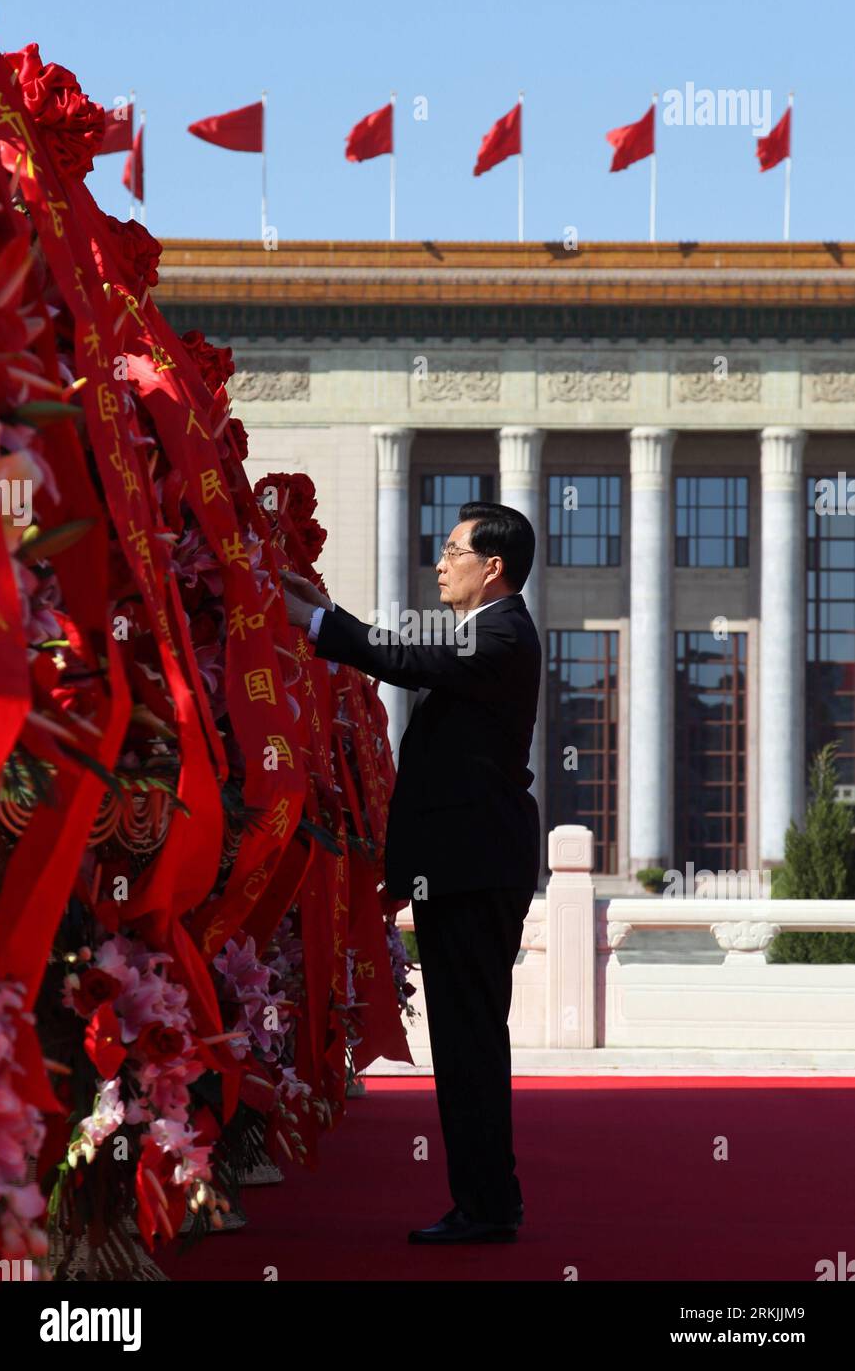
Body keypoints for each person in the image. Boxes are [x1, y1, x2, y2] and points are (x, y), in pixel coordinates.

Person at [282, 500, 541, 1244]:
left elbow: (403, 659)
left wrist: (318, 622)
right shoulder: (484, 633)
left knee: (469, 1040)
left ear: (493, 567)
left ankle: (486, 1206)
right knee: (465, 1039)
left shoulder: (501, 634)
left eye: (454, 551)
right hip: (461, 864)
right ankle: (487, 1201)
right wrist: (326, 612)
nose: (440, 563)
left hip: (475, 866)